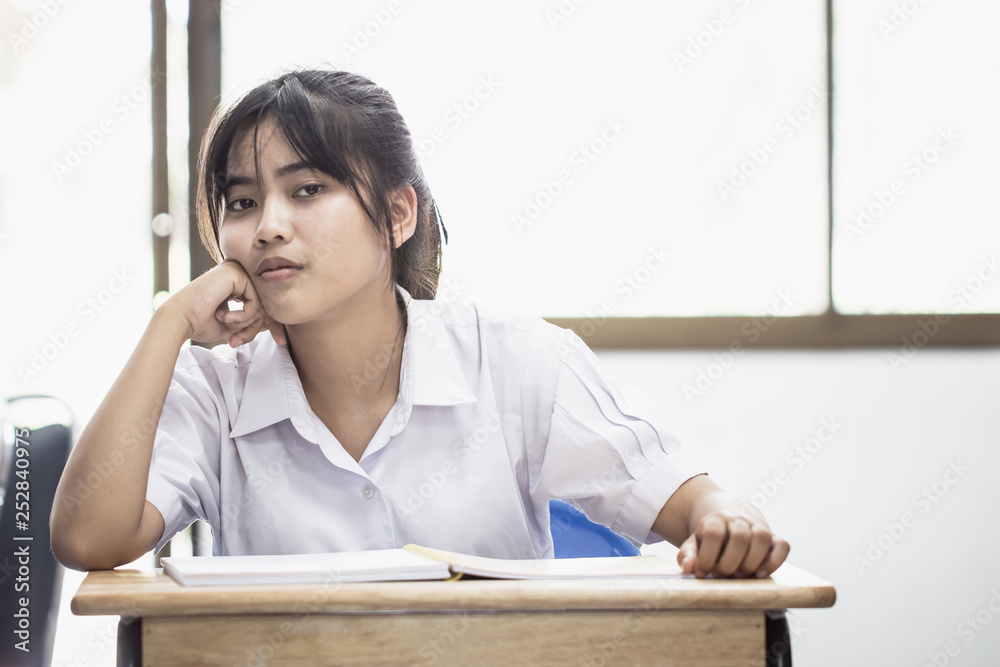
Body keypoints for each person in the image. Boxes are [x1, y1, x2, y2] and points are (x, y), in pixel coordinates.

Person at [50, 69, 789, 578]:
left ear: (398, 213)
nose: (269, 226)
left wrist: (727, 517)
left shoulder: (518, 362)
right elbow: (88, 538)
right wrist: (170, 322)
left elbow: (694, 503)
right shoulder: (214, 389)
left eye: (308, 189)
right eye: (242, 203)